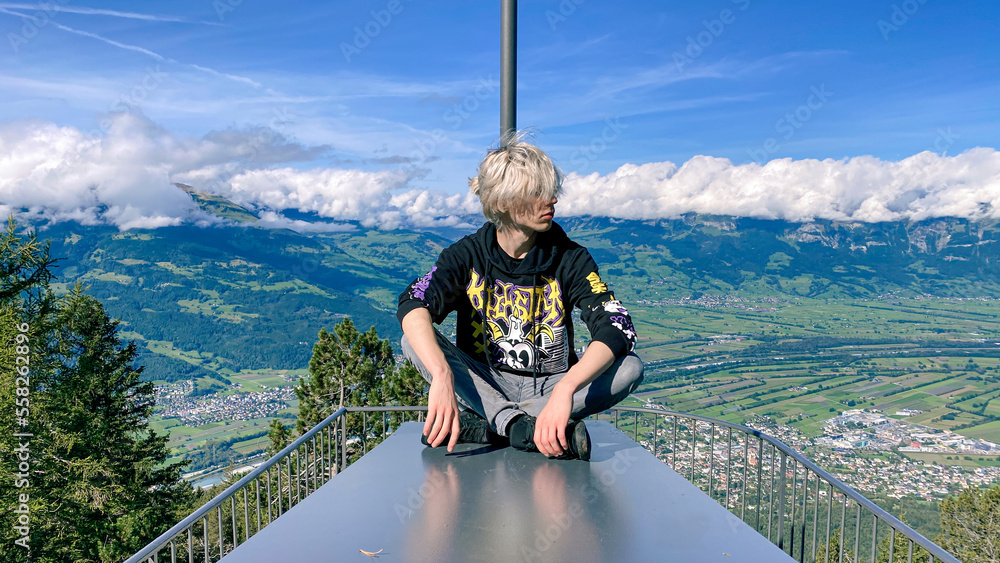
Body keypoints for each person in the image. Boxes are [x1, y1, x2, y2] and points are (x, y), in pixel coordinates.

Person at [397, 133, 643, 461]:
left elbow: (616, 326)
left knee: (629, 368)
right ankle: (520, 426)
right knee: (412, 340)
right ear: (504, 203)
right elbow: (414, 301)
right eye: (538, 192)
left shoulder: (570, 258)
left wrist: (566, 391)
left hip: (552, 384)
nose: (552, 200)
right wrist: (442, 375)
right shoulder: (467, 255)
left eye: (551, 190)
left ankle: (495, 424)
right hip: (486, 379)